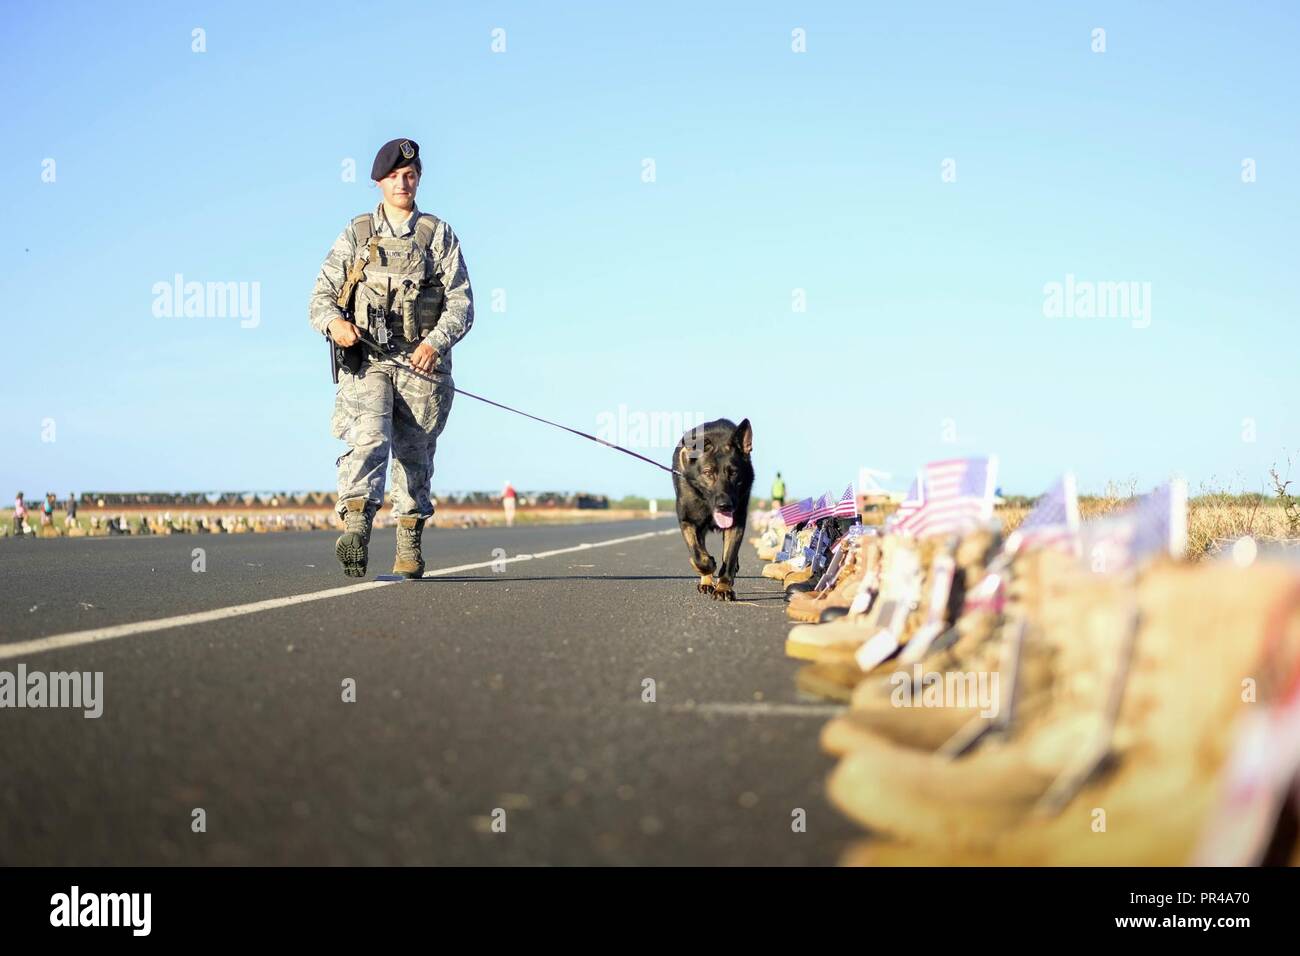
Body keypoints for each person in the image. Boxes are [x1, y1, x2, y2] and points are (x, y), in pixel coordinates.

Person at [309, 138, 474, 578]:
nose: (404, 182)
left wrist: (433, 343)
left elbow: (461, 303)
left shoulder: (436, 235)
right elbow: (320, 298)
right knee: (370, 436)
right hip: (369, 361)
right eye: (396, 176)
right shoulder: (358, 234)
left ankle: (408, 541)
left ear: (418, 178)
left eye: (411, 174)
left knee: (415, 455)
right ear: (379, 182)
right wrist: (336, 326)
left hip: (421, 364)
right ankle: (357, 528)